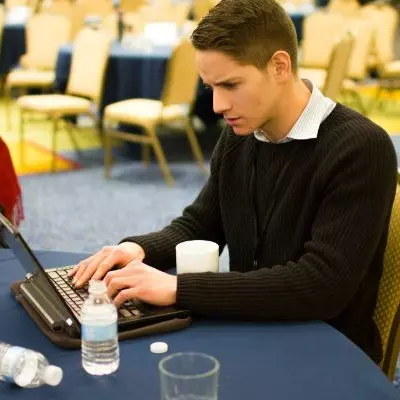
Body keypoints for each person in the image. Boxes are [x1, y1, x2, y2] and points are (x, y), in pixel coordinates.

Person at [69, 0, 398, 363]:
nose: (217, 105)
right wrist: (136, 251)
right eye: (210, 87)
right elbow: (201, 224)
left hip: (325, 352)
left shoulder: (360, 148)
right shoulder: (240, 136)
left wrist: (178, 287)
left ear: (279, 66)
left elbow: (321, 285)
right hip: (252, 330)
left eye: (230, 84)